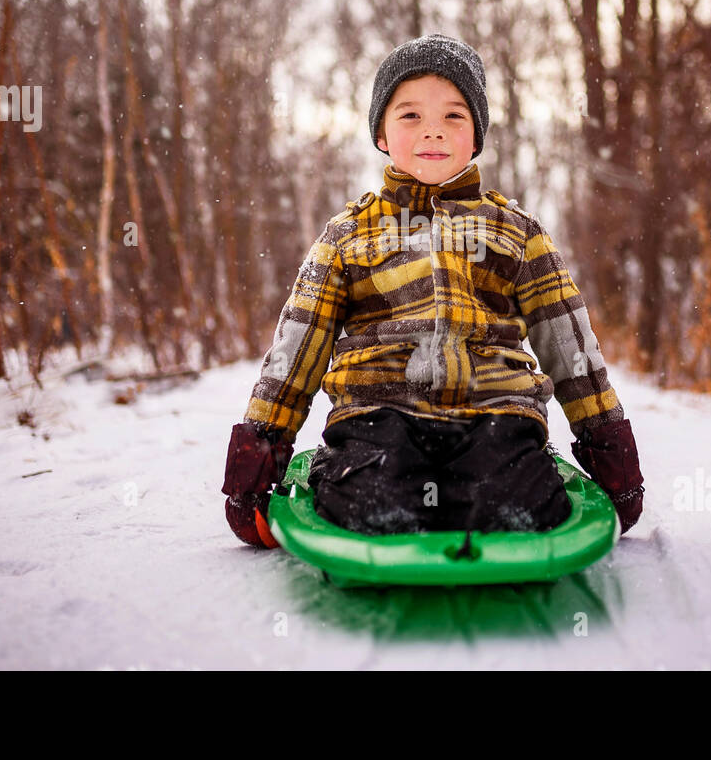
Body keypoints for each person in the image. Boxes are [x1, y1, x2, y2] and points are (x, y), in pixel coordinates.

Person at [222, 33, 643, 547]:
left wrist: (608, 447)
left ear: (476, 136)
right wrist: (259, 457)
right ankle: (381, 496)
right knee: (374, 503)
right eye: (410, 116)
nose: (434, 132)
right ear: (381, 133)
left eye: (453, 116)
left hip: (496, 414)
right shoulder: (348, 236)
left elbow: (570, 345)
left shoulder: (516, 231)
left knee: (511, 504)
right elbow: (296, 352)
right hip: (379, 414)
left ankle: (490, 490)